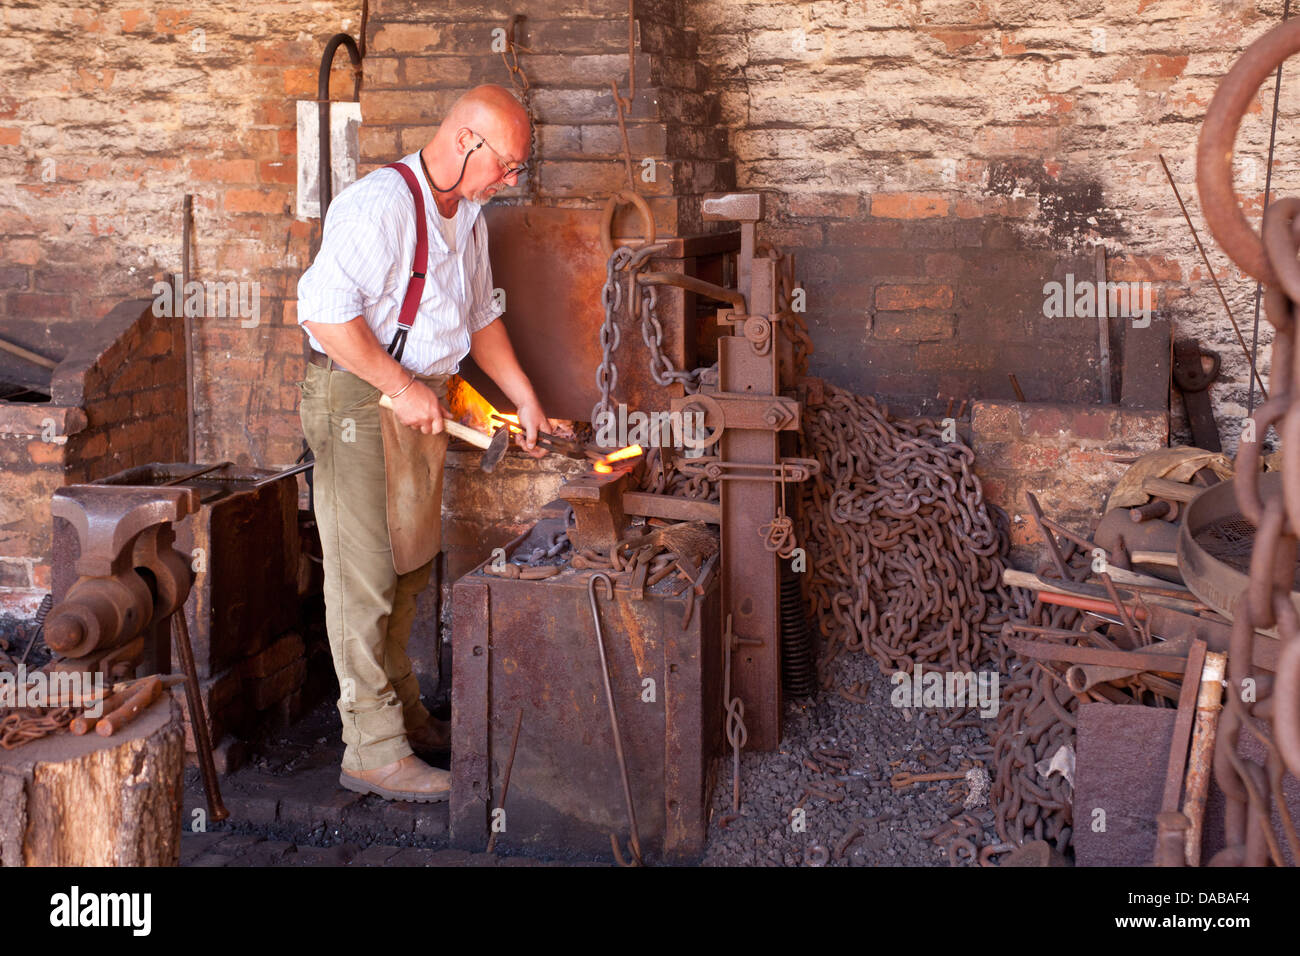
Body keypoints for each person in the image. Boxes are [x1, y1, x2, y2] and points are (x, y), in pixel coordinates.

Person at [296, 84, 550, 802]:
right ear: (468, 141)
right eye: (506, 165)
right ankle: (370, 749)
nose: (509, 182)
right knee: (364, 579)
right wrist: (400, 386)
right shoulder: (380, 205)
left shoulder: (466, 215)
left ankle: (401, 713)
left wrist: (522, 394)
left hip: (417, 399)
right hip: (357, 397)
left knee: (409, 569)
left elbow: (478, 316)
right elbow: (322, 314)